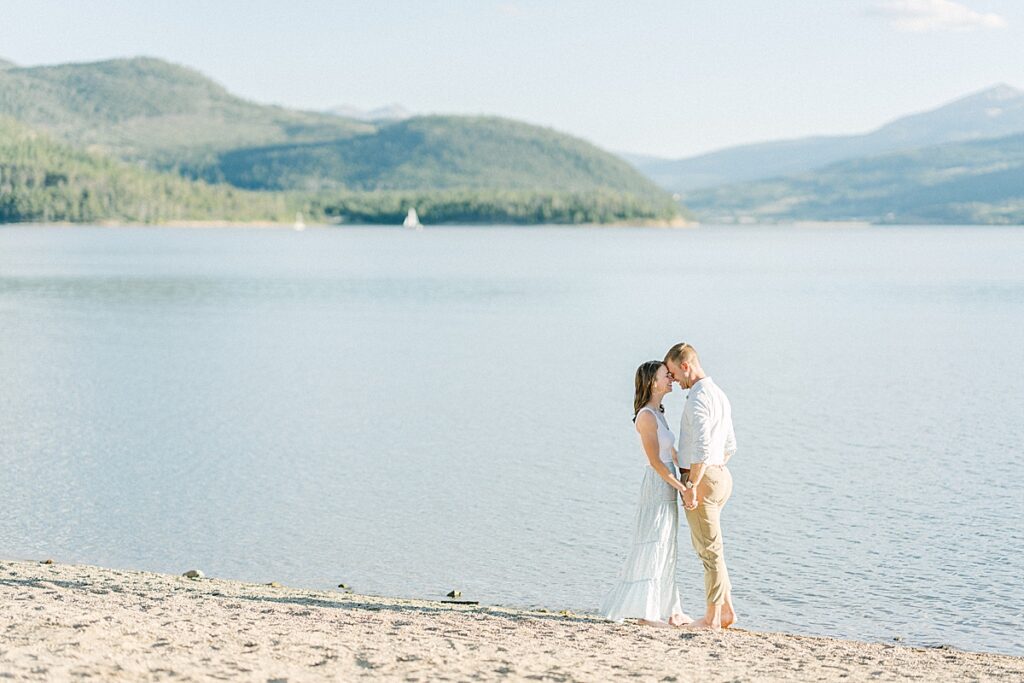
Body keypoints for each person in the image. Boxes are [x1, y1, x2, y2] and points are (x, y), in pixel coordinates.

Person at [600, 361, 692, 627]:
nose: (671, 378)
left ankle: (672, 609)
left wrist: (688, 476)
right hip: (658, 483)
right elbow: (655, 461)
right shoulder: (646, 417)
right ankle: (647, 615)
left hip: (669, 481)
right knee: (653, 541)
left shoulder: (659, 413)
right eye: (667, 375)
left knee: (666, 543)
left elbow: (671, 453)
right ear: (653, 382)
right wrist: (681, 487)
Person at [664, 343, 737, 630]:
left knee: (709, 552)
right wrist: (714, 468)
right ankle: (726, 610)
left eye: (673, 372)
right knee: (713, 548)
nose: (674, 380)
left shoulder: (697, 399)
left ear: (686, 366)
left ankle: (712, 619)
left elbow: (704, 446)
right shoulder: (719, 394)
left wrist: (693, 482)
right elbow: (730, 444)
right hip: (720, 476)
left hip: (702, 480)